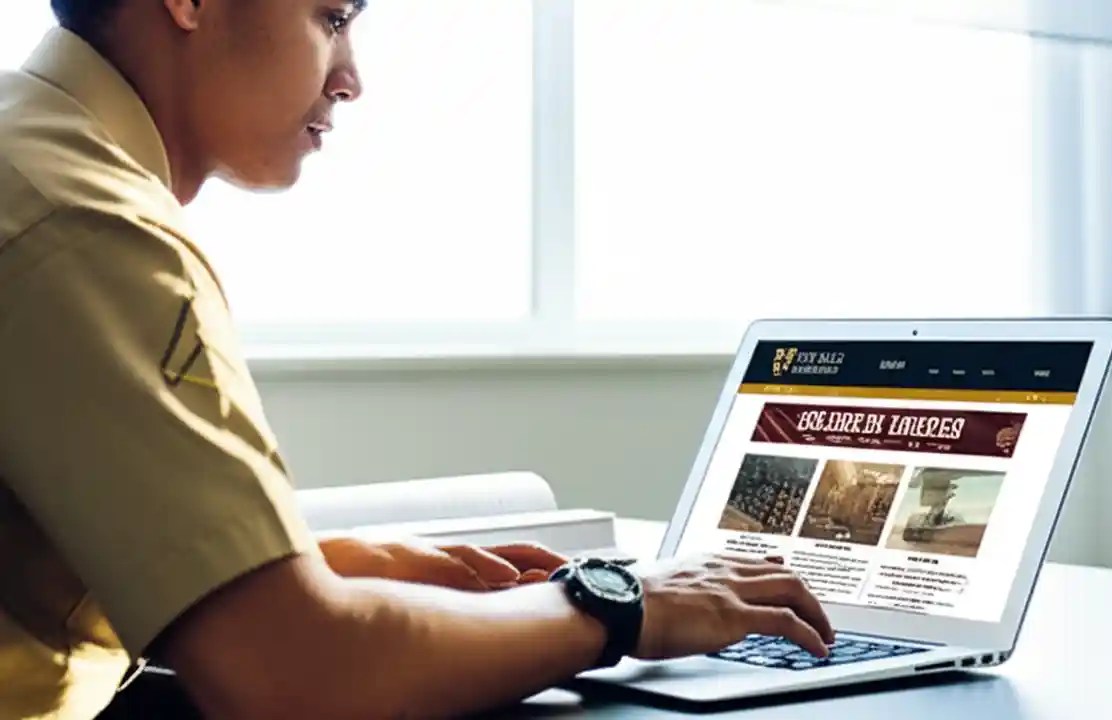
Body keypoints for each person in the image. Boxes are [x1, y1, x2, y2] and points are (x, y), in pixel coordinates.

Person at [0, 1, 835, 718]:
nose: (350, 77)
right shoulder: (88, 224)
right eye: (331, 17)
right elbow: (294, 676)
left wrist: (319, 564)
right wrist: (622, 603)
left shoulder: (29, 150)